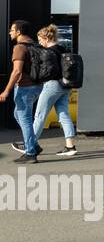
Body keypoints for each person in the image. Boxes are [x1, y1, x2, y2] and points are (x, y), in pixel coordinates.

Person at [31, 25, 77, 157]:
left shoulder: (48, 52)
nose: (40, 43)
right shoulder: (63, 49)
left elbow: (48, 72)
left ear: (46, 38)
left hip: (52, 85)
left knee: (39, 116)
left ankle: (30, 144)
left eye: (40, 40)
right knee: (64, 115)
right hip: (65, 86)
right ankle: (70, 146)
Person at [1, 20, 41, 163]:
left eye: (12, 30)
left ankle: (30, 153)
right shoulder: (36, 45)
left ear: (18, 32)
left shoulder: (19, 47)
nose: (10, 32)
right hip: (37, 86)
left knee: (25, 120)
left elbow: (17, 71)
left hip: (24, 88)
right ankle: (34, 145)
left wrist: (6, 91)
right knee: (18, 115)